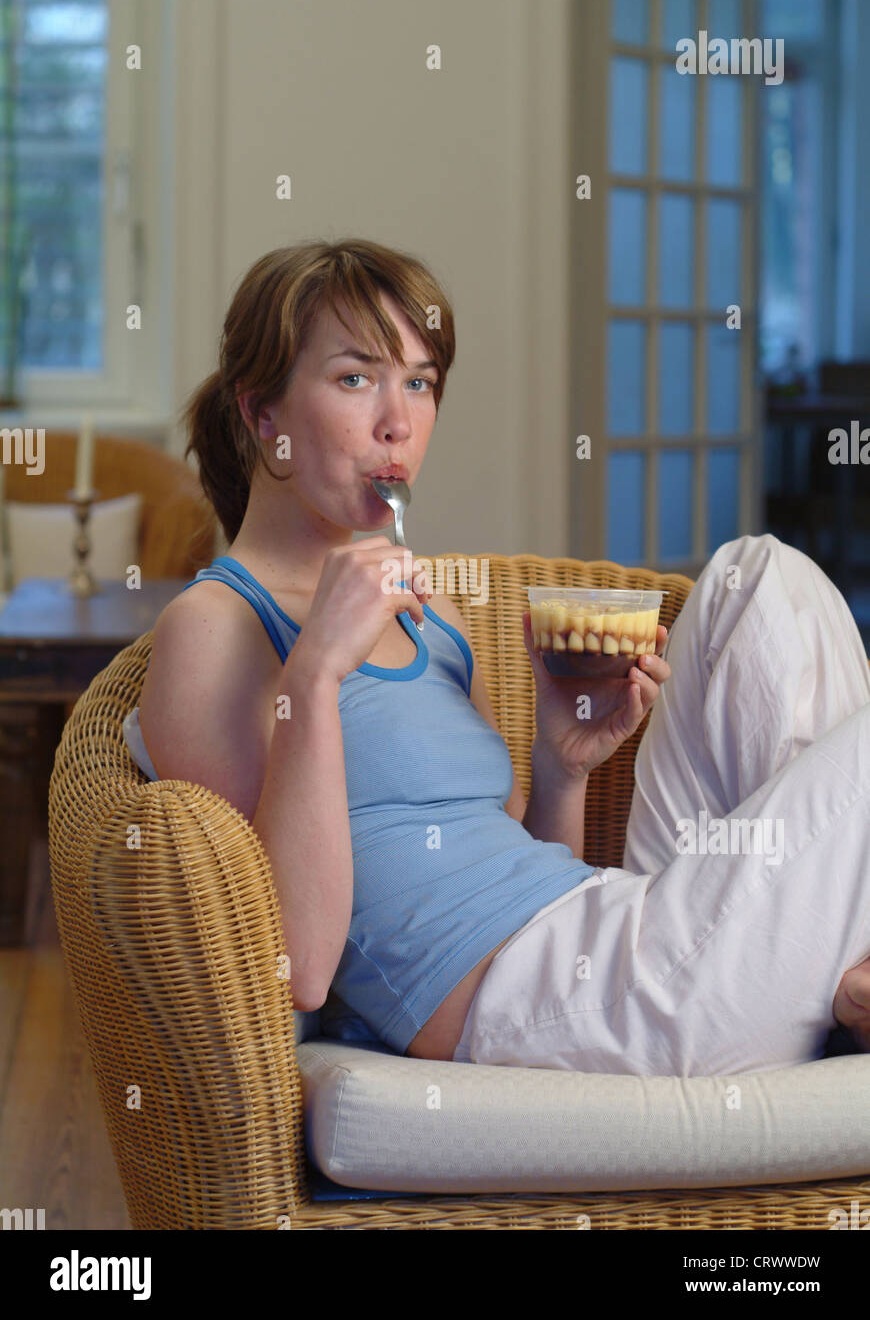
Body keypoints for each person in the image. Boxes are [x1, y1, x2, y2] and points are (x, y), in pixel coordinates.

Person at [124, 238, 870, 1077]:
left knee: (758, 576)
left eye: (420, 383)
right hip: (543, 1002)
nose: (398, 422)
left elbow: (528, 860)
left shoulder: (431, 615)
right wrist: (316, 672)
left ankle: (830, 961)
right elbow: (293, 964)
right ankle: (837, 971)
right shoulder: (214, 629)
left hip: (608, 927)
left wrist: (562, 765)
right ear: (264, 415)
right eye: (355, 379)